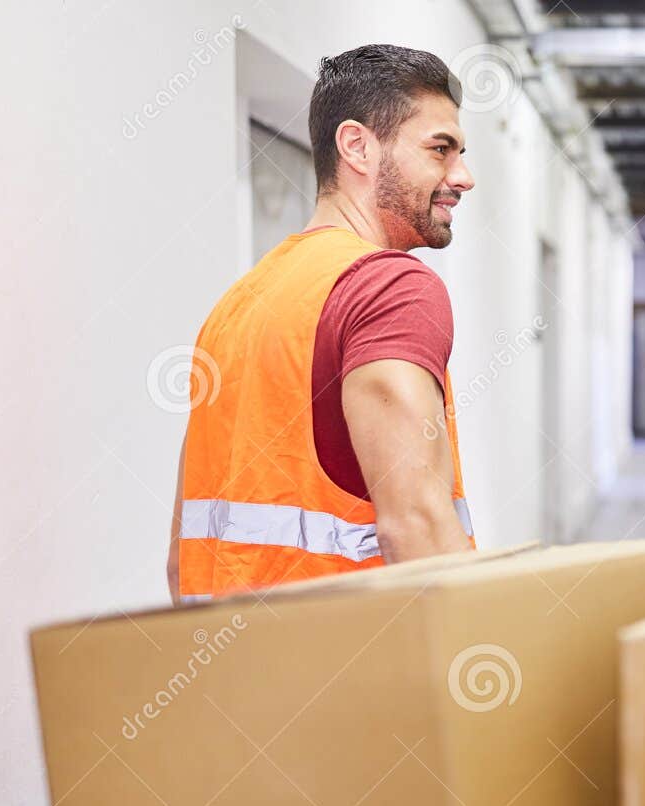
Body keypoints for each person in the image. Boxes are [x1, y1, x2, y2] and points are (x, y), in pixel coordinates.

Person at [168, 44, 477, 602]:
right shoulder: (388, 289)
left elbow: (180, 560)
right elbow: (418, 528)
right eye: (440, 150)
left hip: (230, 680)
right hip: (359, 677)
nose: (464, 176)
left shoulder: (237, 306)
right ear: (357, 146)